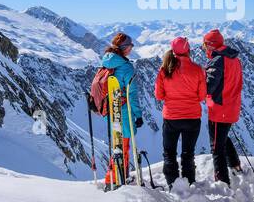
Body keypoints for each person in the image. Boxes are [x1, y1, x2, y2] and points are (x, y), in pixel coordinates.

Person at [154, 36, 205, 186]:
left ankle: (173, 184)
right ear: (188, 50)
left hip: (171, 118)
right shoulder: (197, 69)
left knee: (169, 153)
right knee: (188, 154)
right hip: (192, 117)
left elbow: (158, 95)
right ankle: (189, 183)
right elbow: (202, 96)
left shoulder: (164, 69)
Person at [100, 32, 143, 186]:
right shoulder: (126, 67)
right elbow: (132, 94)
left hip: (110, 110)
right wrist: (138, 115)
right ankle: (115, 178)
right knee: (123, 146)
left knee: (117, 145)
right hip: (123, 111)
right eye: (130, 45)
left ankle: (119, 176)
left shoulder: (106, 61)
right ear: (124, 48)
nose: (131, 48)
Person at [202, 29, 243, 184]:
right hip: (231, 107)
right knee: (223, 139)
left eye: (205, 45)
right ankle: (235, 165)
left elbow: (208, 87)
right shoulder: (234, 59)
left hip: (219, 110)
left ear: (211, 46)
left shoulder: (218, 61)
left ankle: (222, 182)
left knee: (216, 148)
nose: (204, 48)